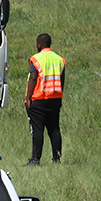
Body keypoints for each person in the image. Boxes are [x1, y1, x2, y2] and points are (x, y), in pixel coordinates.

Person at [24, 32, 65, 166]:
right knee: (54, 129)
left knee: (38, 130)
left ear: (39, 45)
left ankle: (35, 159)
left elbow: (33, 78)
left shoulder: (36, 59)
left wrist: (28, 98)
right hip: (55, 99)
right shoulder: (59, 59)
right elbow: (61, 79)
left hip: (39, 99)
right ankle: (57, 158)